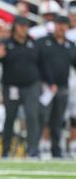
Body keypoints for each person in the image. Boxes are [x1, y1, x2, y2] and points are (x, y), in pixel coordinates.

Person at [0, 16, 41, 158]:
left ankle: (33, 150)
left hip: (31, 86)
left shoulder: (33, 43)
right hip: (11, 86)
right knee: (10, 118)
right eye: (21, 25)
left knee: (32, 116)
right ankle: (5, 151)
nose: (24, 28)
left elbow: (41, 63)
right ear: (15, 27)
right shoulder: (5, 43)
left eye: (26, 26)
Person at [37, 15, 76, 158]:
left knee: (58, 120)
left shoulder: (70, 45)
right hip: (46, 87)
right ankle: (42, 147)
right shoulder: (44, 42)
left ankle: (56, 149)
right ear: (55, 25)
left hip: (63, 87)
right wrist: (47, 81)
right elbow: (38, 63)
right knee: (43, 118)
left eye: (64, 25)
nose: (61, 27)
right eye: (59, 24)